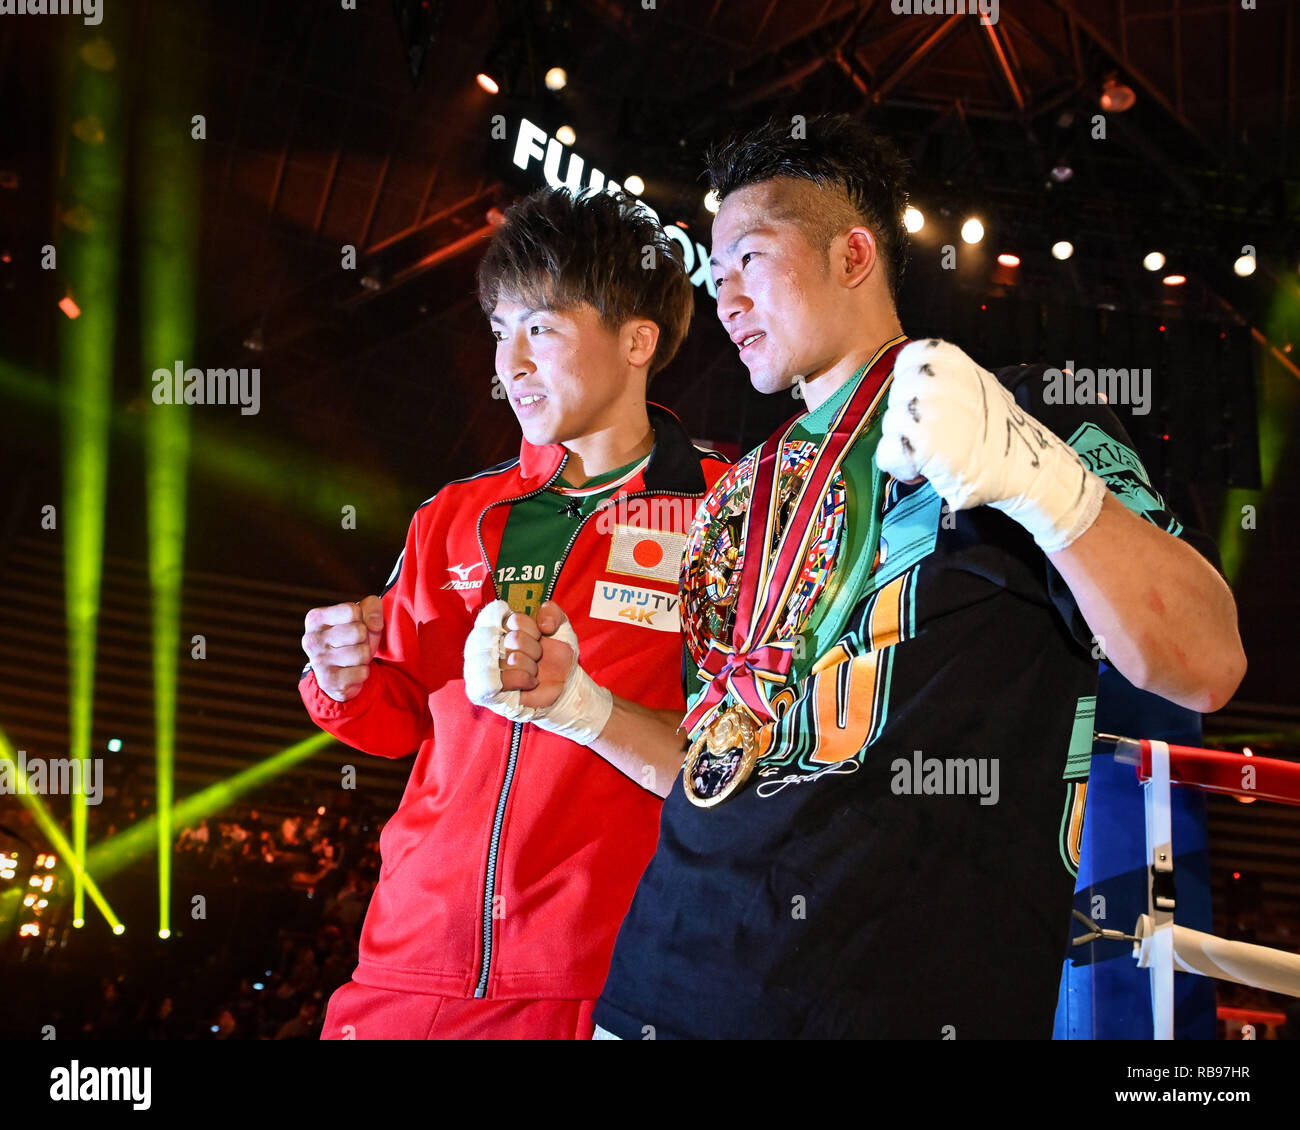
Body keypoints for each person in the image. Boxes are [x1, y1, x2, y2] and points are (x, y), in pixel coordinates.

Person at [590, 114, 1247, 1039]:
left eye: (749, 257)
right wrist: (579, 709)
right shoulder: (739, 493)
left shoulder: (1020, 409)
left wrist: (1040, 480)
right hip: (656, 985)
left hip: (891, 1003)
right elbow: (721, 758)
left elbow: (1203, 658)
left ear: (853, 254)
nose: (724, 293)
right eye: (715, 265)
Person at [299, 186, 728, 1039]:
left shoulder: (725, 511)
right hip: (405, 963)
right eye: (500, 330)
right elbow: (394, 720)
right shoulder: (456, 514)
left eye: (542, 328)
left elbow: (740, 761)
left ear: (637, 340)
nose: (511, 363)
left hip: (599, 979)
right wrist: (338, 677)